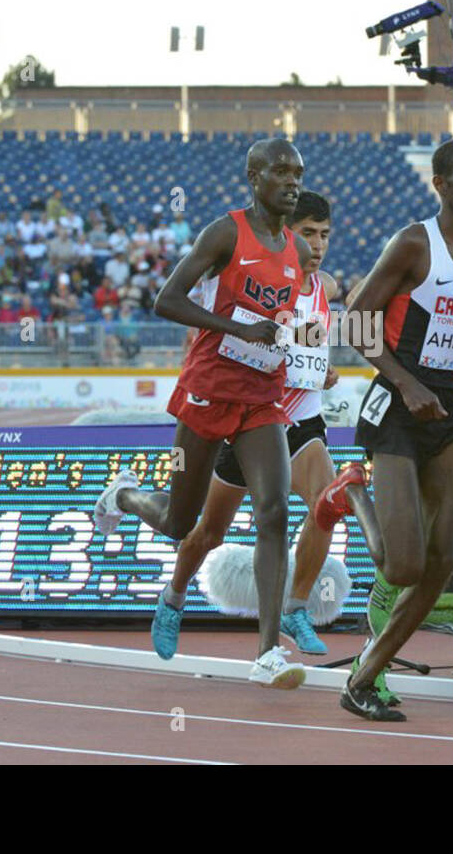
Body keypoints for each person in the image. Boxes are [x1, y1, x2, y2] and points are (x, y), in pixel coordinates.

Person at [314, 139, 453, 721]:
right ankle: (353, 491)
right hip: (395, 409)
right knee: (404, 566)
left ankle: (363, 679)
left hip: (450, 411)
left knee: (444, 558)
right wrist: (404, 382)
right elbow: (357, 319)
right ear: (440, 184)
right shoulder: (415, 243)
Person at [92, 138, 312, 689]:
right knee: (179, 523)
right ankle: (122, 494)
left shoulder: (297, 253)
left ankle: (267, 653)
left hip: (261, 396)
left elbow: (279, 319)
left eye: (298, 173)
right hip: (207, 391)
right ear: (253, 176)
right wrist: (239, 330)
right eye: (280, 172)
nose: (291, 181)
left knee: (274, 510)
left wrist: (286, 344)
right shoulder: (224, 232)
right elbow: (166, 300)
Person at [148, 190, 342, 660]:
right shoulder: (254, 265)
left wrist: (323, 367)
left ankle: (292, 610)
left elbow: (310, 338)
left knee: (324, 503)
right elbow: (205, 328)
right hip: (241, 405)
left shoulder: (329, 287)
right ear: (284, 237)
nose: (316, 246)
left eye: (324, 236)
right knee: (203, 530)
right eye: (307, 234)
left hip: (295, 415)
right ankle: (174, 596)